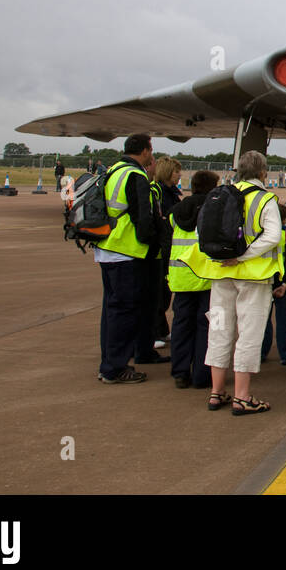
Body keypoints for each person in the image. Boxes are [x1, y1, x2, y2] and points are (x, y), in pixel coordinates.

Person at [193, 150, 282, 415]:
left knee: (219, 329)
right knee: (249, 333)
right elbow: (273, 236)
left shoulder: (219, 195)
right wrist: (243, 255)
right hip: (252, 278)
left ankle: (216, 391)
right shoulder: (265, 199)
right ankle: (242, 396)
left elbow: (202, 230)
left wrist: (225, 255)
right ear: (263, 172)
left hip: (220, 277)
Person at [95, 134, 163, 384]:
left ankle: (119, 359)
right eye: (150, 150)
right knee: (124, 311)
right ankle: (114, 368)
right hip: (127, 251)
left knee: (112, 310)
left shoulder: (114, 169)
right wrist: (154, 241)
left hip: (108, 248)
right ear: (145, 151)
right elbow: (143, 219)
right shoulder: (136, 175)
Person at [167, 170, 219, 389]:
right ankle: (201, 374)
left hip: (181, 277)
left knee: (181, 325)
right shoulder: (213, 209)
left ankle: (180, 372)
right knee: (206, 326)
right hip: (205, 277)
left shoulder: (176, 212)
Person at [260, 198, 286, 366]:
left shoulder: (264, 237)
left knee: (263, 319)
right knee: (285, 320)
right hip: (284, 281)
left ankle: (261, 352)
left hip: (266, 279)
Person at [150, 156, 183, 349]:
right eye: (177, 171)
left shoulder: (170, 192)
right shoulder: (160, 192)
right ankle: (154, 331)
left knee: (164, 292)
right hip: (162, 249)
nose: (179, 175)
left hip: (169, 248)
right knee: (160, 293)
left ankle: (161, 329)